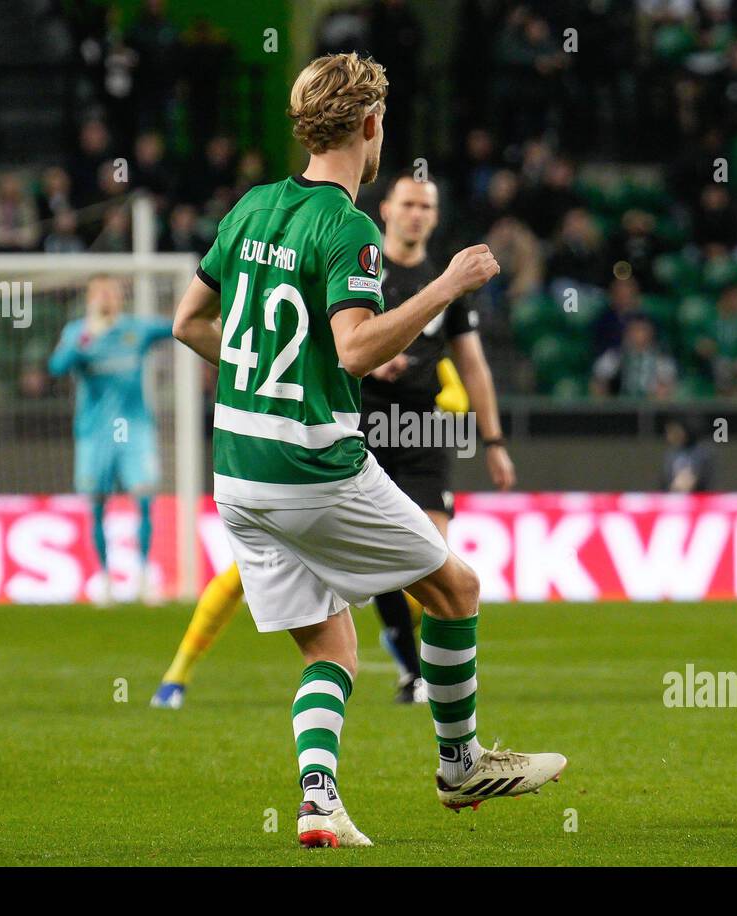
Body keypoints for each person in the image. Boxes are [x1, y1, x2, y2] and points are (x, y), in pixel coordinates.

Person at [168, 52, 565, 848]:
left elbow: (187, 324)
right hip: (312, 467)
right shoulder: (350, 227)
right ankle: (460, 765)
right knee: (455, 589)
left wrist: (271, 378)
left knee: (330, 646)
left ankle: (319, 803)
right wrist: (446, 286)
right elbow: (353, 351)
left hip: (238, 474)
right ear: (373, 124)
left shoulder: (250, 207)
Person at [48, 275, 173, 605]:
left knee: (144, 498)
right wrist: (88, 335)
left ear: (120, 297)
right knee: (97, 503)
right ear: (90, 299)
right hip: (95, 432)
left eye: (112, 292)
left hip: (132, 428)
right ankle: (104, 578)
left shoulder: (135, 329)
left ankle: (144, 575)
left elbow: (175, 327)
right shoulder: (78, 332)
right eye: (100, 293)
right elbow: (57, 367)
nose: (106, 298)